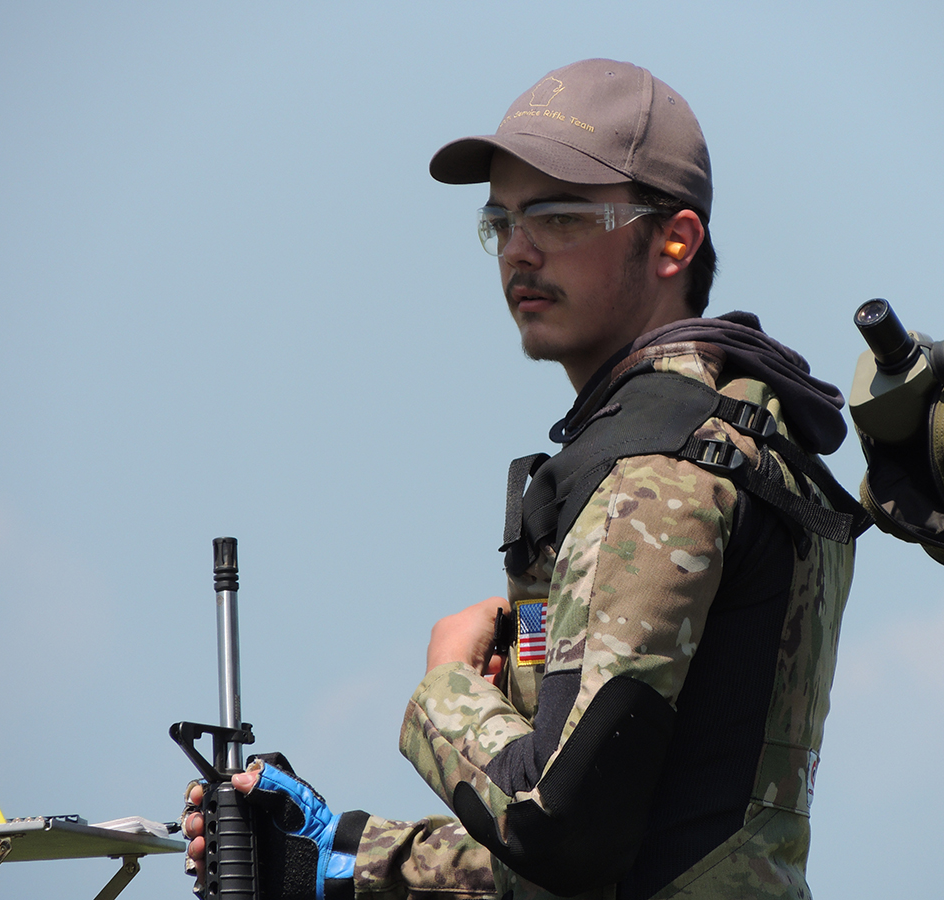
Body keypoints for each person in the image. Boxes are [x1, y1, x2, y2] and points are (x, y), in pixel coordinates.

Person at [184, 58, 867, 900]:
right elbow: (635, 843)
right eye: (500, 221)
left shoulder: (654, 473)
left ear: (675, 240)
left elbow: (562, 828)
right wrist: (335, 858)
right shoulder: (737, 427)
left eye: (559, 215)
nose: (519, 248)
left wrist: (444, 689)